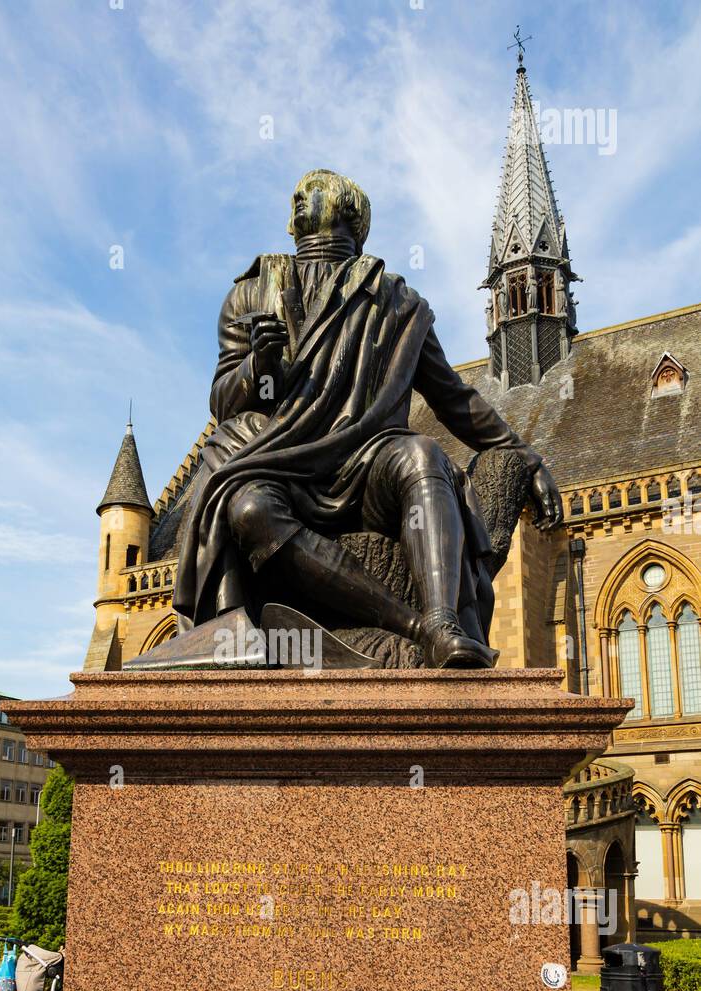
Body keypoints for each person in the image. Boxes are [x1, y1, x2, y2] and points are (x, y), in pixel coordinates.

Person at [172, 169, 563, 668]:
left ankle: (444, 624)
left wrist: (522, 454)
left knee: (422, 454)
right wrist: (258, 368)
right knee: (248, 511)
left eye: (314, 196)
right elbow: (224, 402)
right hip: (276, 462)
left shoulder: (396, 300)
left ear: (356, 219)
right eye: (298, 199)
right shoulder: (250, 295)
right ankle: (415, 627)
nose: (301, 203)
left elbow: (453, 398)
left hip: (364, 463)